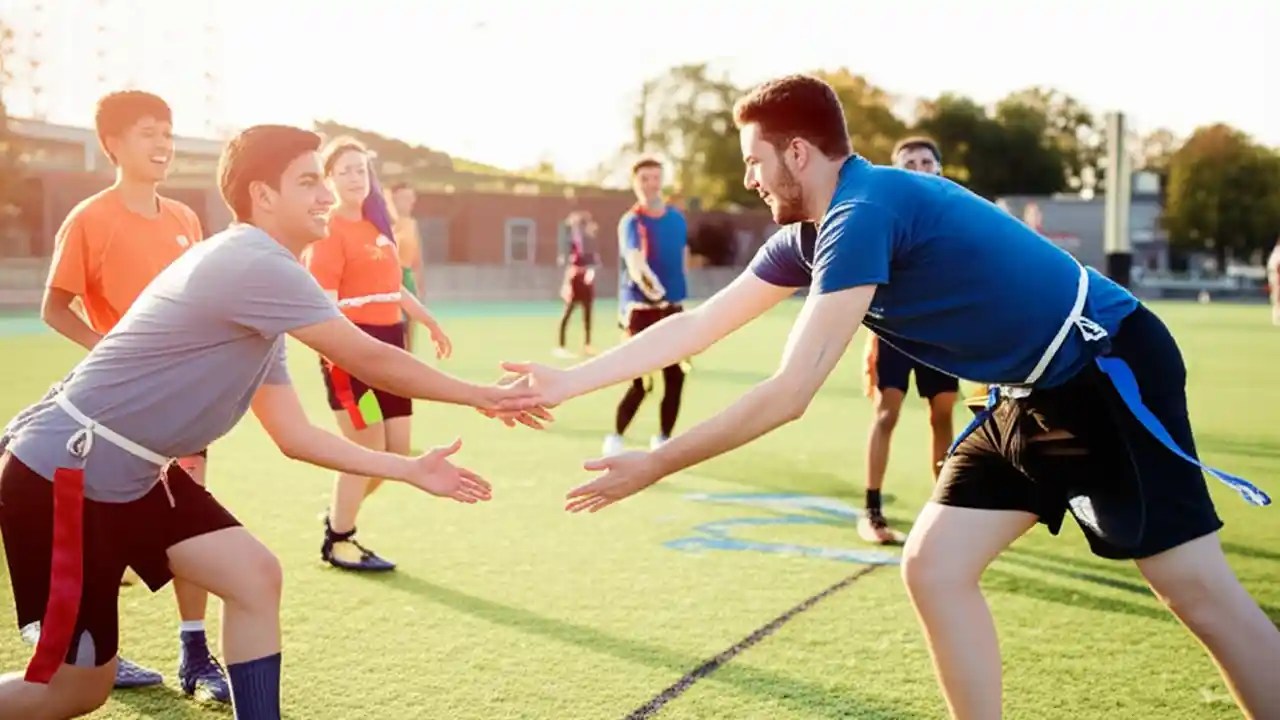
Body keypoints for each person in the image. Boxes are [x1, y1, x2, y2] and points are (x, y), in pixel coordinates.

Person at [501, 74, 1280, 719]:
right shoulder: (808, 234)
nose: (748, 178)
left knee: (1196, 592)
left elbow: (790, 391)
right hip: (1031, 390)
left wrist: (657, 462)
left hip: (1106, 368)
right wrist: (571, 380)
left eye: (753, 161)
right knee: (935, 565)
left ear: (797, 153)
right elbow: (700, 324)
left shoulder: (861, 214)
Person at [0, 123, 544, 720]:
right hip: (66, 477)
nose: (328, 196)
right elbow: (367, 356)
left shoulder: (267, 289)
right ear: (262, 195)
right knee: (72, 693)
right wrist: (482, 396)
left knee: (253, 576)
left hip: (133, 476)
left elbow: (295, 436)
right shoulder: (252, 261)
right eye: (308, 181)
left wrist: (408, 467)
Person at [34, 89, 228, 699]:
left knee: (191, 512)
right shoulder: (90, 218)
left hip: (184, 402)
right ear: (112, 143)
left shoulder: (185, 220)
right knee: (105, 525)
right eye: (148, 132)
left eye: (168, 131)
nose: (163, 143)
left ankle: (196, 653)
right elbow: (53, 308)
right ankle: (92, 653)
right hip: (118, 410)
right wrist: (109, 355)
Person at [303, 138, 452, 572]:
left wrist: (428, 321)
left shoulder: (377, 228)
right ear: (329, 180)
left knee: (396, 454)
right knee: (366, 448)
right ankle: (339, 539)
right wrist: (348, 355)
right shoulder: (327, 232)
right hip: (352, 354)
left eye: (361, 169)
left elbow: (393, 286)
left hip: (391, 347)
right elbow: (325, 306)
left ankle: (338, 514)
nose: (355, 177)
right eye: (345, 170)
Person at [856, 136, 959, 545]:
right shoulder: (886, 216)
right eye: (909, 162)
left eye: (926, 161)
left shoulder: (955, 215)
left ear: (939, 168)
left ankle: (945, 512)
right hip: (896, 331)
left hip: (938, 333)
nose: (918, 167)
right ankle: (872, 511)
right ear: (897, 171)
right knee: (887, 413)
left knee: (943, 414)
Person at [601, 158, 689, 456]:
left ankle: (663, 439)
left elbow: (681, 257)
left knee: (675, 377)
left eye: (655, 178)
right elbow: (635, 260)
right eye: (644, 179)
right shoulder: (632, 222)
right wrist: (650, 284)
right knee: (641, 381)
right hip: (639, 312)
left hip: (673, 310)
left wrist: (674, 297)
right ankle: (616, 437)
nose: (651, 184)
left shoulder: (677, 219)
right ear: (635, 183)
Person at [554, 211, 600, 359]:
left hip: (586, 281)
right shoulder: (570, 242)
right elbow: (566, 261)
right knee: (567, 313)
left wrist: (591, 271)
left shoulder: (589, 242)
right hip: (575, 280)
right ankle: (561, 346)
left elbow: (595, 261)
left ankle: (587, 345)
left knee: (587, 314)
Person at [388, 182, 424, 350]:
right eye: (405, 198)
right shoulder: (383, 223)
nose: (411, 202)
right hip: (389, 278)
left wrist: (419, 287)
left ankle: (408, 360)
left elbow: (417, 260)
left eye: (412, 198)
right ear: (392, 199)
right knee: (393, 326)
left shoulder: (412, 224)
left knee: (410, 328)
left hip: (407, 277)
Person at [1266, 235, 1280, 325]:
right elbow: (1277, 266)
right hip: (1276, 275)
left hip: (1274, 274)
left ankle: (1276, 316)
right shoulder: (1278, 250)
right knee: (1277, 297)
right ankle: (1276, 316)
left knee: (1276, 297)